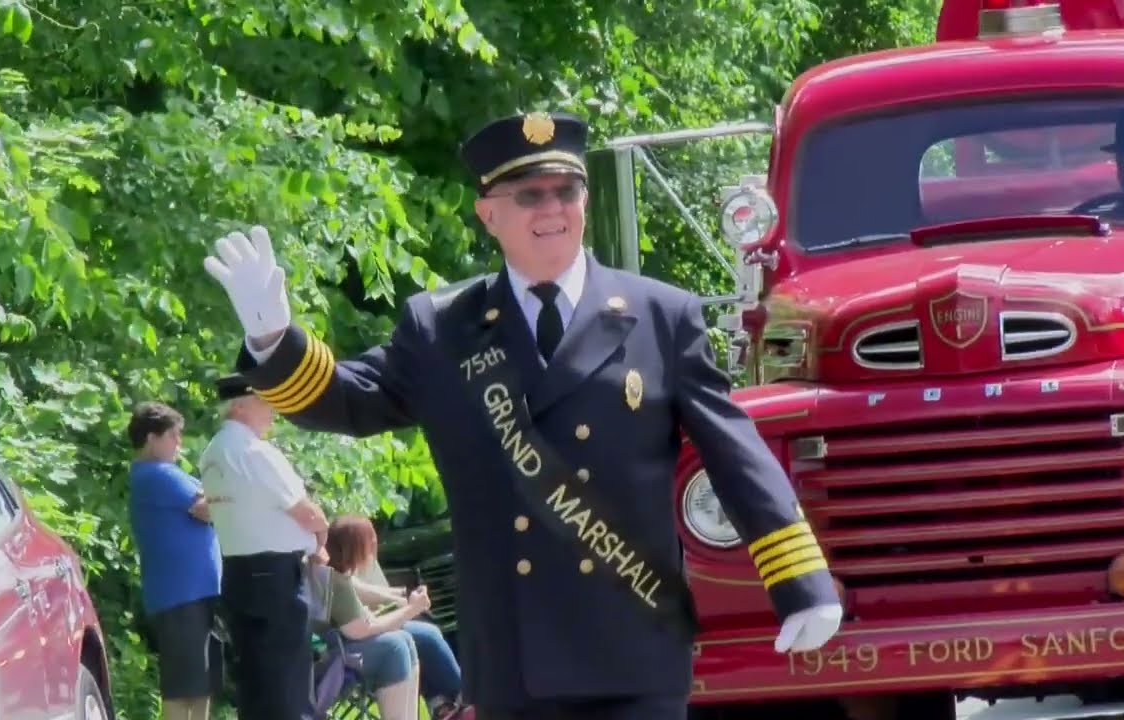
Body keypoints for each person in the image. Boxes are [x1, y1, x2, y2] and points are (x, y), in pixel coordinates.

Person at [202, 110, 843, 720]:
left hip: (635, 643)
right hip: (514, 659)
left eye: (565, 189)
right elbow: (344, 400)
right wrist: (273, 341)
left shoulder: (660, 316)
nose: (551, 209)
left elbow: (734, 455)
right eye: (529, 195)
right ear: (489, 213)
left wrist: (801, 579)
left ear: (585, 201)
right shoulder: (442, 329)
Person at [199, 375, 328, 720]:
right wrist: (322, 533)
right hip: (275, 576)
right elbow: (305, 511)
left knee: (254, 674)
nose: (273, 412)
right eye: (265, 403)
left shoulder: (211, 454)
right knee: (287, 674)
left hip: (238, 573)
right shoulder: (255, 452)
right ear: (241, 406)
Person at [126, 401, 222, 720]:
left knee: (200, 684)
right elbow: (207, 507)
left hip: (194, 595)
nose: (179, 443)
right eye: (173, 436)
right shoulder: (157, 474)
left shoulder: (164, 474)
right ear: (152, 438)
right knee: (182, 688)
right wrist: (229, 495)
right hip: (180, 596)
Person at [324, 515, 469, 720]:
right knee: (414, 640)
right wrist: (411, 610)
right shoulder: (333, 581)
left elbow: (359, 589)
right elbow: (363, 629)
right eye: (370, 542)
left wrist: (402, 596)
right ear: (356, 547)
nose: (375, 546)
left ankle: (446, 704)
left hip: (350, 637)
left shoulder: (337, 573)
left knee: (427, 633)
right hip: (342, 650)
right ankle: (460, 704)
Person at [307, 546, 429, 720]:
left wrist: (404, 599)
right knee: (394, 647)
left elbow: (362, 620)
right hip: (316, 663)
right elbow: (360, 630)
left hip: (328, 651)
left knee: (406, 639)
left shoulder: (324, 576)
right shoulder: (325, 578)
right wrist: (411, 609)